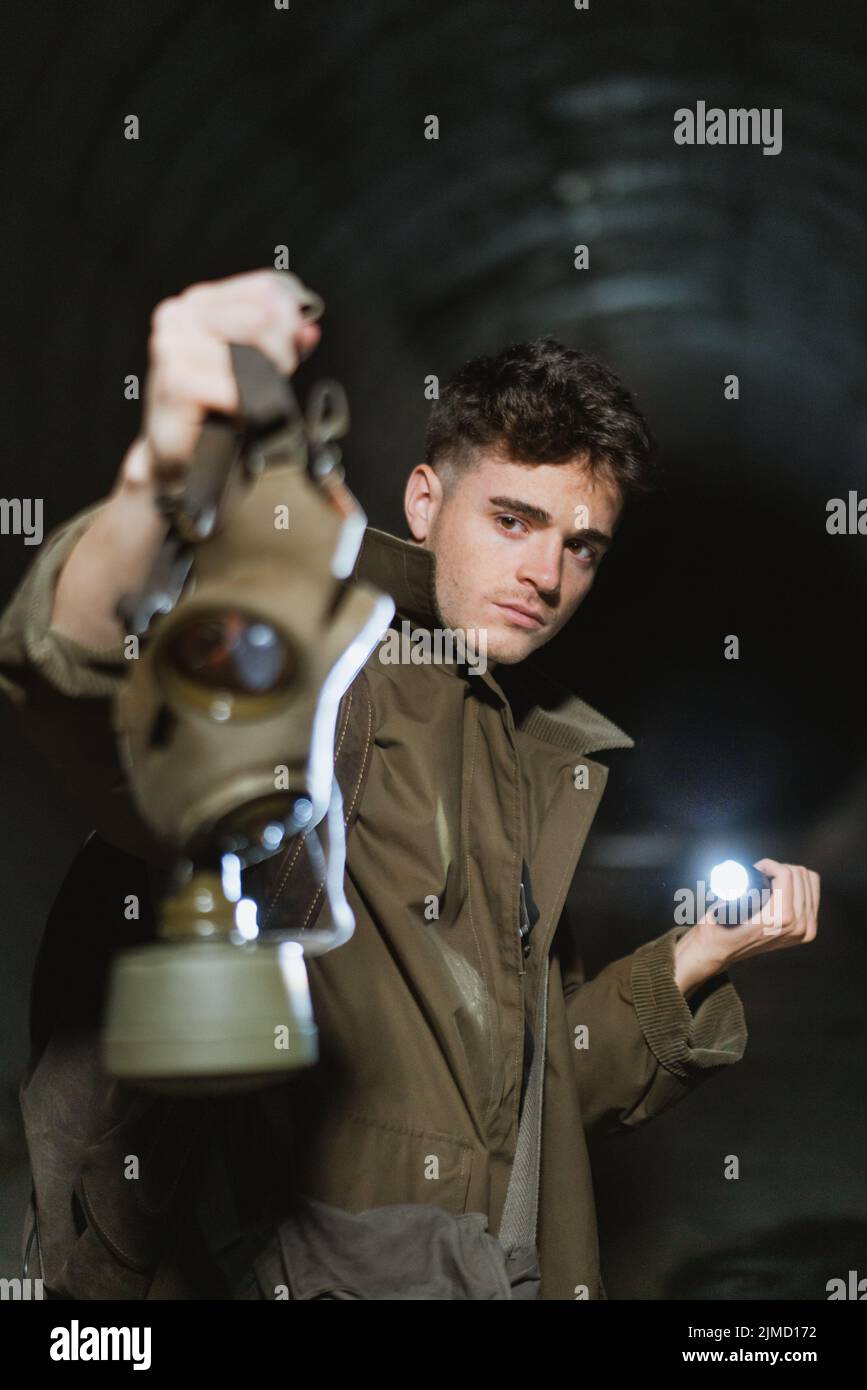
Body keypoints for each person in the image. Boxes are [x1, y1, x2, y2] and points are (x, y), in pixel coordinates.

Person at [0, 269, 820, 1300]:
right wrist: (158, 483)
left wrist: (697, 958)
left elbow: (539, 1088)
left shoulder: (525, 752)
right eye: (513, 520)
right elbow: (110, 710)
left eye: (581, 546)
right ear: (425, 502)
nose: (546, 574)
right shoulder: (330, 674)